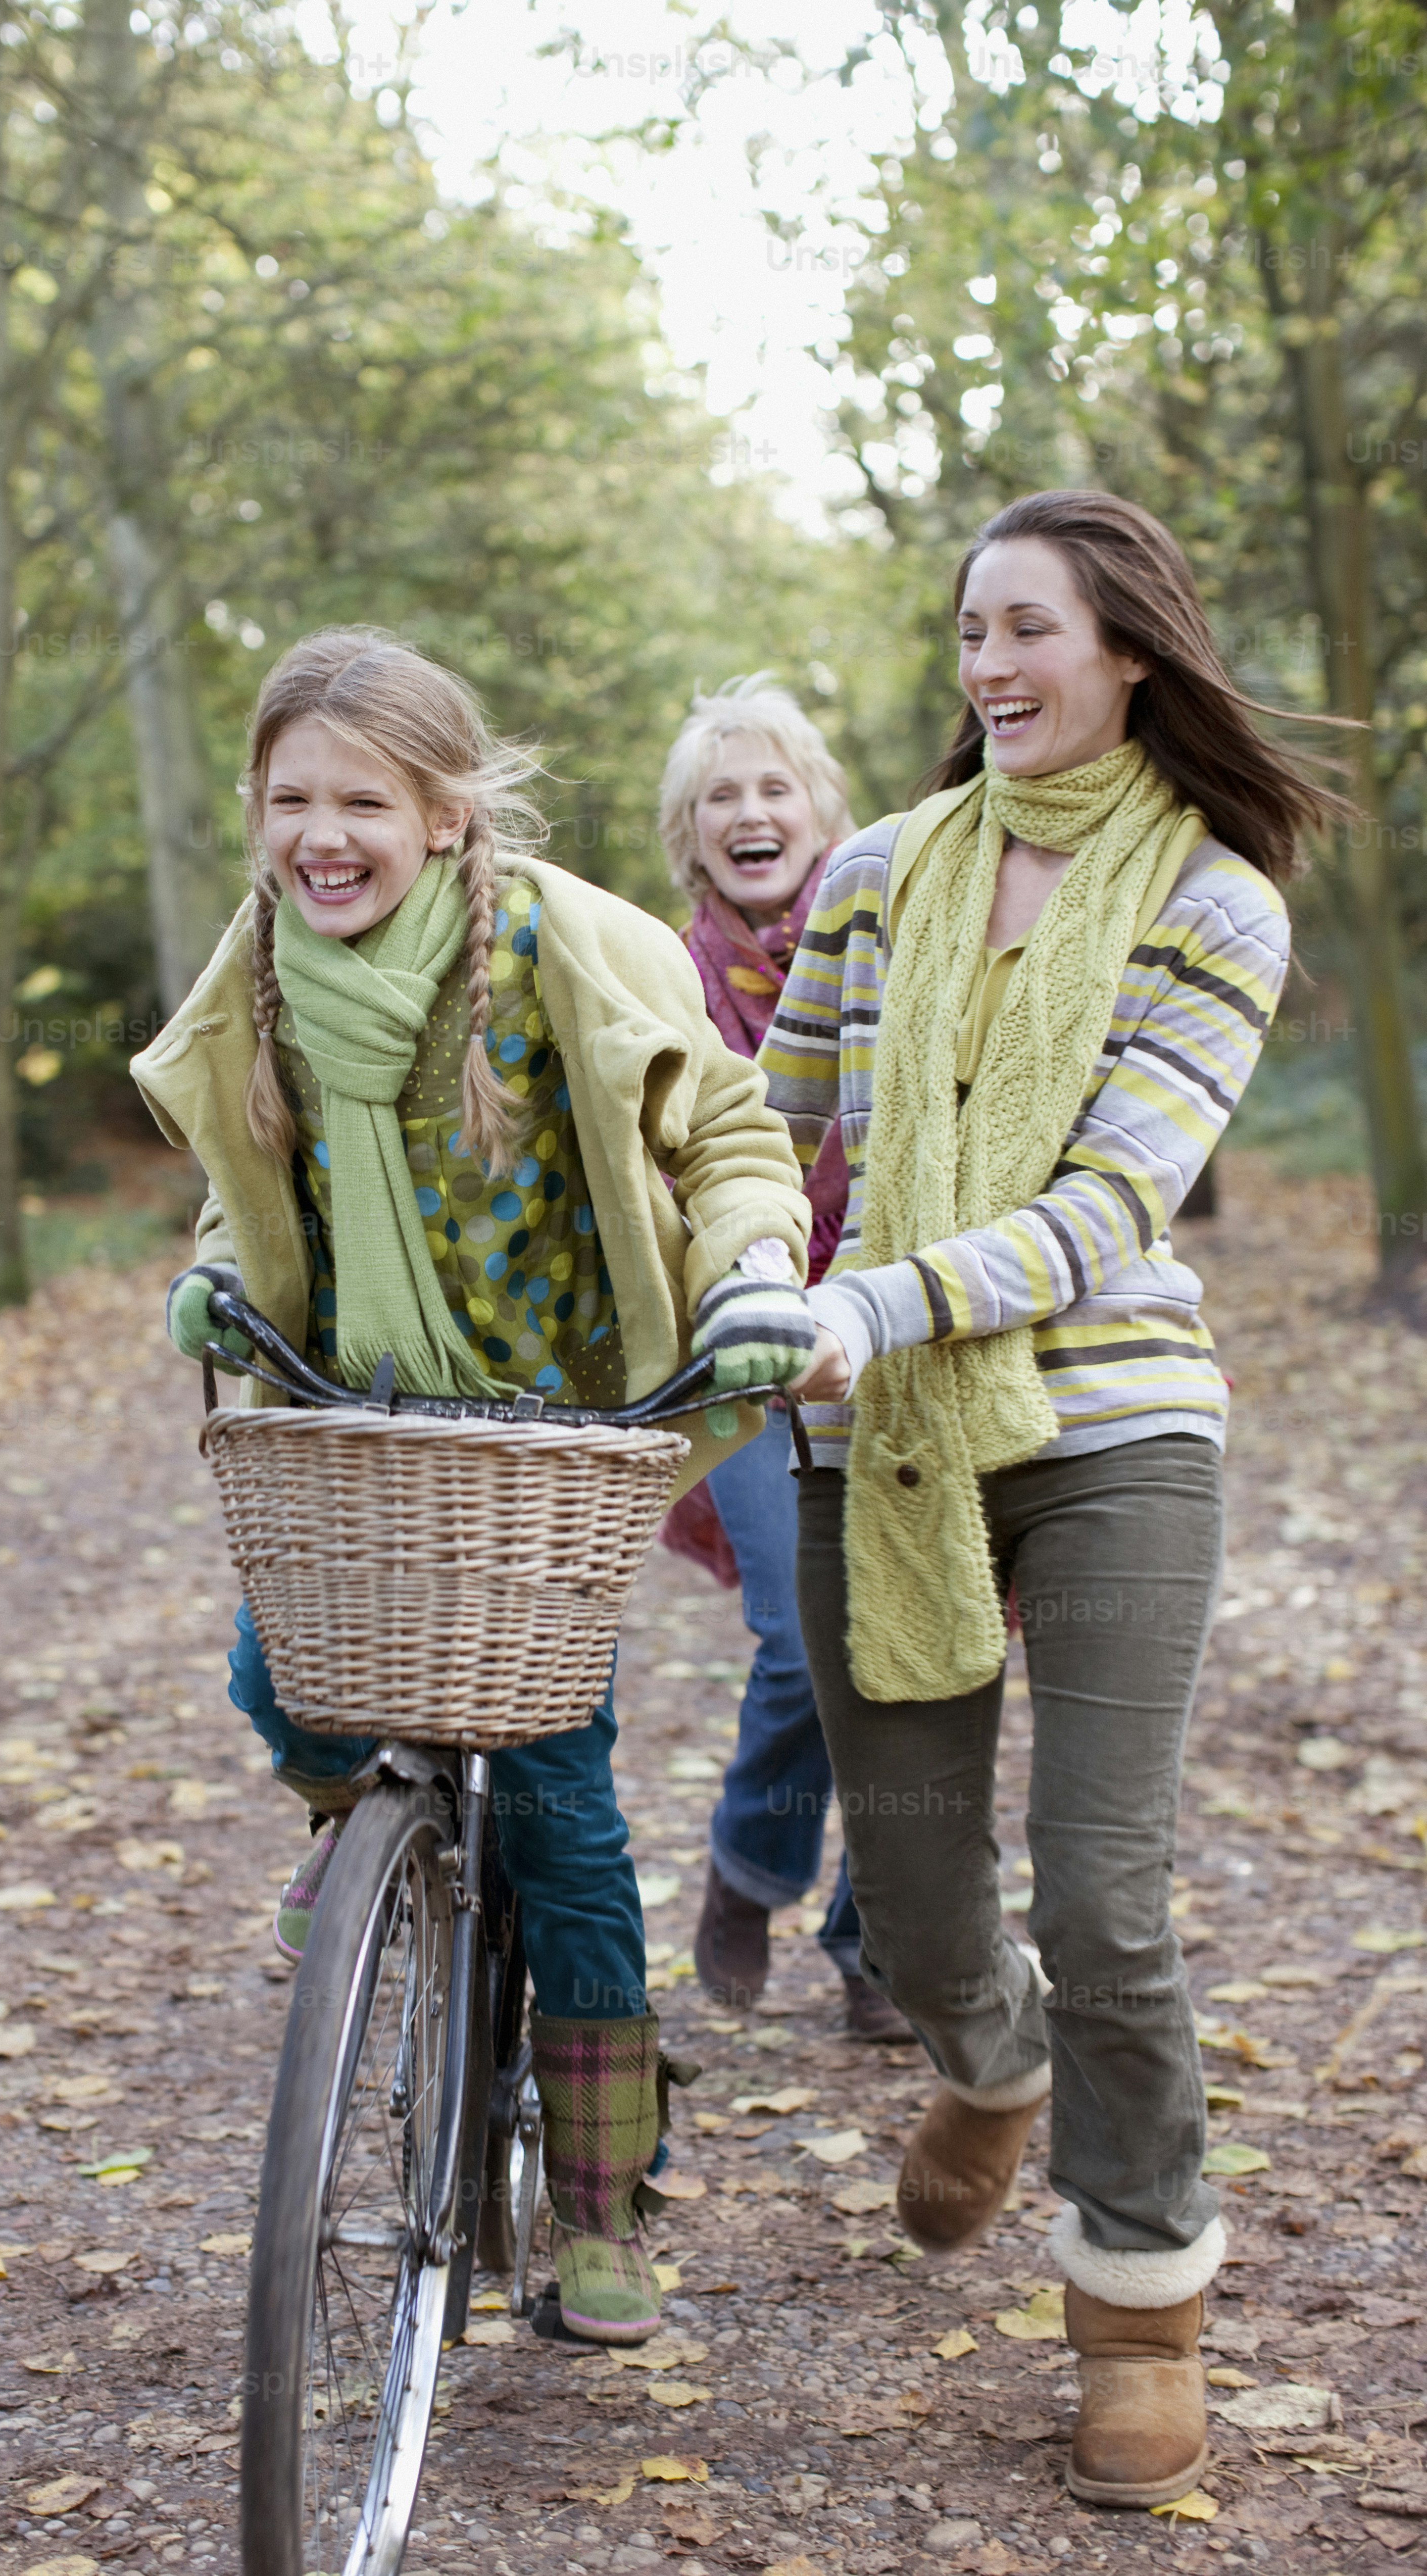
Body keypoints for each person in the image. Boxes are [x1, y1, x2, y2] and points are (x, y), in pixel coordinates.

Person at [131, 627, 817, 2347]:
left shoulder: (564, 946)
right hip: (367, 1425)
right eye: (290, 798)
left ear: (446, 811)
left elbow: (728, 1129)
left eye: (363, 797)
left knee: (569, 1811)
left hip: (557, 1432)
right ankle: (369, 1832)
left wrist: (751, 1266)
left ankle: (596, 2205)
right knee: (269, 1672)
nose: (322, 833)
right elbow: (252, 1174)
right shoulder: (267, 966)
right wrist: (220, 1267)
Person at [766, 492, 1342, 2509]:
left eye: (1027, 629)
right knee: (921, 1910)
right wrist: (759, 1272)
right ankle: (984, 2065)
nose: (990, 669)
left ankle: (1135, 2306)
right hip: (876, 1431)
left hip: (1113, 1433)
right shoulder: (873, 876)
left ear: (1126, 649)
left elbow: (1110, 1207)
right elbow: (778, 1135)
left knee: (1104, 1892)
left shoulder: (1217, 894)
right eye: (966, 635)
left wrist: (880, 1297)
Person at [656, 676, 911, 2042]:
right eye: (721, 796)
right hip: (744, 1347)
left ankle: (874, 1941)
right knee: (802, 1636)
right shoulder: (662, 979)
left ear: (825, 809)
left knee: (914, 1636)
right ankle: (751, 1868)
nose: (752, 813)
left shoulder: (896, 939)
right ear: (691, 837)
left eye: (775, 787)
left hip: (897, 1324)